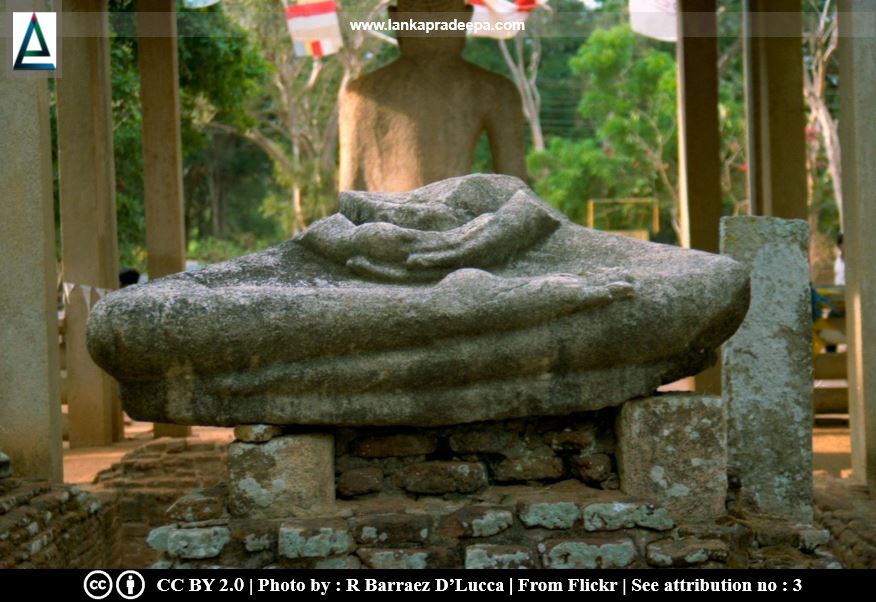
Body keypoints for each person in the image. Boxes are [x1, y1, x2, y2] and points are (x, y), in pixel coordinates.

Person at [338, 0, 527, 192]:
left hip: (451, 217)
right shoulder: (362, 95)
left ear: (465, 17)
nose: (429, 19)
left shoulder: (495, 91)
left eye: (441, 9)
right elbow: (349, 192)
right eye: (417, 8)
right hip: (387, 217)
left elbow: (516, 194)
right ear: (396, 19)